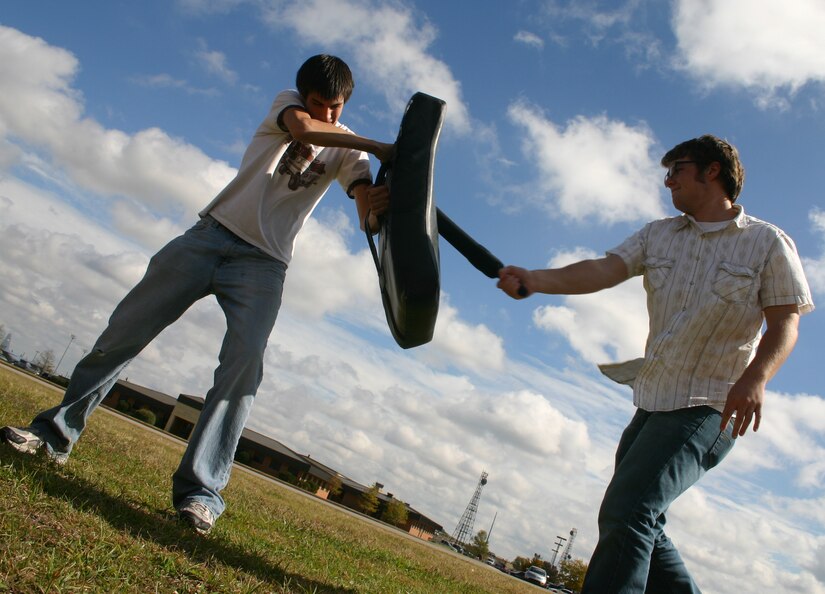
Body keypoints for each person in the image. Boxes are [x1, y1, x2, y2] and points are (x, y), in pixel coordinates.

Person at [2, 54, 394, 534]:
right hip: (210, 235)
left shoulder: (351, 153)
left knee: (243, 368)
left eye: (336, 107)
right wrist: (380, 145)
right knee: (125, 331)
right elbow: (305, 129)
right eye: (320, 103)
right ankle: (52, 435)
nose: (328, 114)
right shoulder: (288, 105)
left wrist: (377, 209)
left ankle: (201, 494)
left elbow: (365, 215)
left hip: (264, 264)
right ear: (303, 94)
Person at [498, 135, 813, 592]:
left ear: (712, 171)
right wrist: (535, 279)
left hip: (711, 405)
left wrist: (756, 378)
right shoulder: (658, 235)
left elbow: (785, 323)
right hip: (653, 402)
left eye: (676, 169)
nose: (668, 181)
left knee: (628, 511)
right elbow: (602, 270)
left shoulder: (767, 243)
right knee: (640, 520)